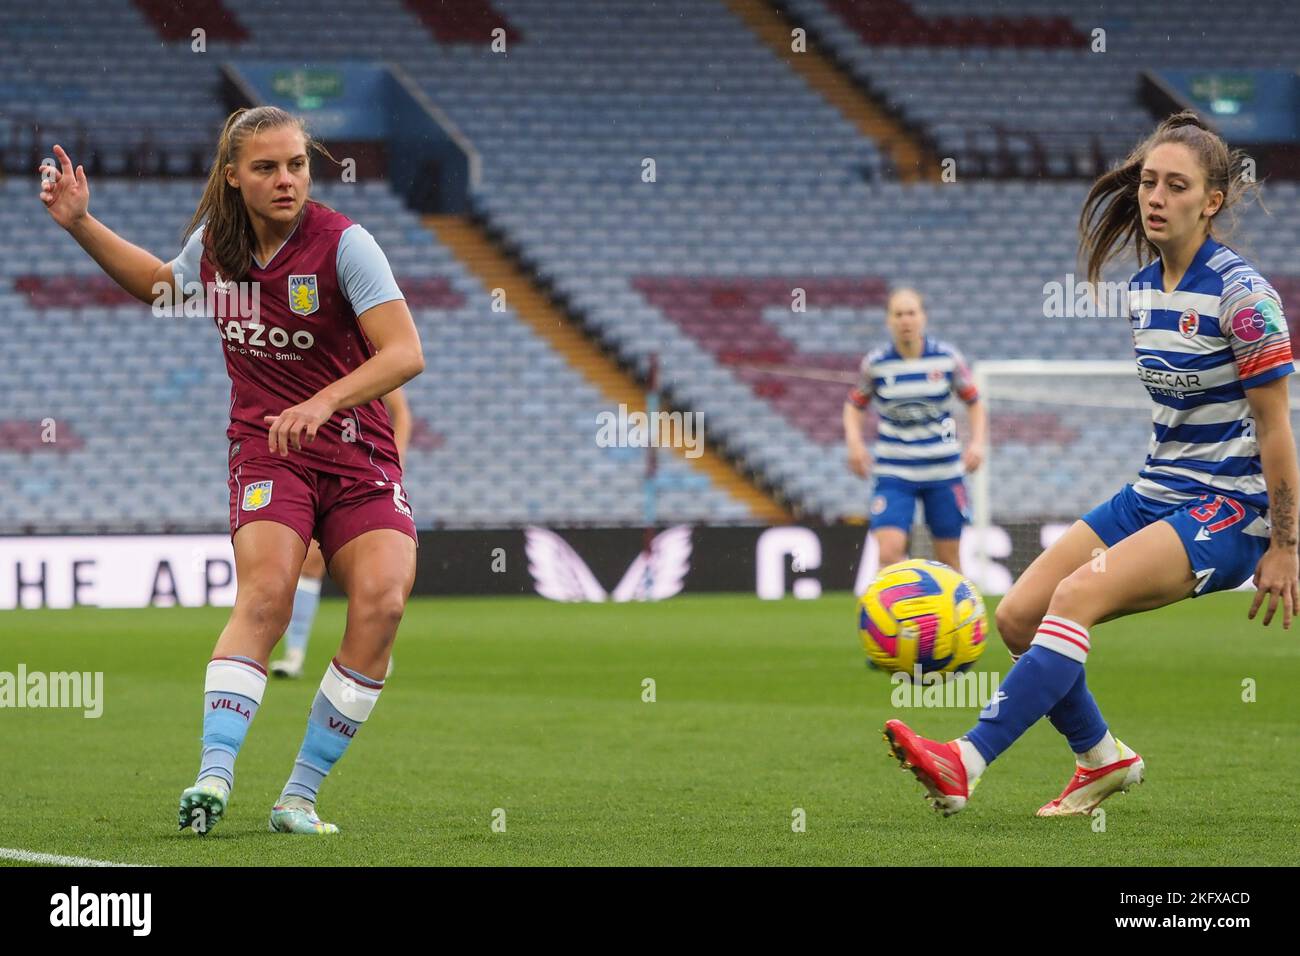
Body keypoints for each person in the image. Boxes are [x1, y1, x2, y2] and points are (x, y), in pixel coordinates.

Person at [884, 111, 1299, 817]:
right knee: (1017, 615)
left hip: (1228, 511)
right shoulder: (1140, 291)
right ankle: (1103, 759)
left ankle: (965, 761)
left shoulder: (1245, 298)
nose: (1156, 197)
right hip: (1153, 491)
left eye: (1176, 185)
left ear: (1212, 201)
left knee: (1073, 598)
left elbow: (1275, 426)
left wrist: (1285, 544)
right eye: (1148, 182)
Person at [39, 105, 425, 835]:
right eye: (267, 168)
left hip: (357, 453)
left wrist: (324, 401)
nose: (286, 181)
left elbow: (406, 353)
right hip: (268, 450)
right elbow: (160, 287)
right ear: (233, 176)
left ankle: (298, 798)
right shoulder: (217, 246)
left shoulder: (347, 245)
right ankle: (214, 774)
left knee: (383, 605)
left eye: (297, 165)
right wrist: (81, 224)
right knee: (268, 595)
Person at [271, 387, 411, 680]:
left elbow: (401, 413)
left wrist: (392, 461)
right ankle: (294, 654)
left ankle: (375, 648)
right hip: (313, 468)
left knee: (371, 572)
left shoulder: (368, 357)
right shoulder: (309, 356)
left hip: (362, 474)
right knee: (309, 562)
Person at [843, 287, 987, 573]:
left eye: (911, 313)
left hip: (943, 471)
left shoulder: (947, 359)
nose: (905, 320)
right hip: (894, 471)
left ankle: (952, 618)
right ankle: (900, 616)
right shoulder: (876, 364)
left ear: (923, 318)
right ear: (888, 321)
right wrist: (854, 444)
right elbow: (854, 404)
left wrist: (978, 443)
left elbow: (974, 401)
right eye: (898, 314)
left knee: (950, 560)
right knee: (888, 553)